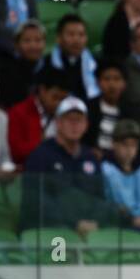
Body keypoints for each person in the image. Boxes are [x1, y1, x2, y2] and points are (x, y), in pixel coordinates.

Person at [20, 96, 115, 235]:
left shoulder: (90, 158)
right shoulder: (40, 155)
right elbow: (35, 201)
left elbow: (99, 198)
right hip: (49, 230)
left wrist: (95, 221)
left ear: (86, 125)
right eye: (69, 119)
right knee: (60, 252)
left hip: (87, 228)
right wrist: (74, 223)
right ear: (58, 123)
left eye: (79, 120)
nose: (74, 125)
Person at [101, 120, 140, 234]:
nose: (129, 150)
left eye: (134, 145)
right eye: (125, 144)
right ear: (113, 144)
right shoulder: (105, 169)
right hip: (119, 226)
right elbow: (107, 206)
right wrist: (135, 220)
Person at [8, 65, 70, 166]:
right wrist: (44, 145)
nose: (58, 103)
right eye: (55, 97)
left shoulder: (66, 114)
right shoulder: (18, 113)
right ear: (42, 90)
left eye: (63, 99)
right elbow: (16, 152)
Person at [40, 14, 97, 101]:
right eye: (71, 34)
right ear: (58, 38)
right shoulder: (45, 64)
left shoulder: (94, 65)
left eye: (81, 35)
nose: (76, 40)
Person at [0, 20, 46, 108]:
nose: (33, 46)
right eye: (27, 41)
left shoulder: (51, 69)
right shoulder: (6, 71)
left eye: (38, 40)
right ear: (16, 44)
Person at [86, 57, 127, 154]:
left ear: (124, 84)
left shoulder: (130, 112)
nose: (112, 84)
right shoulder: (87, 108)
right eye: (106, 79)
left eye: (117, 79)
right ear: (97, 82)